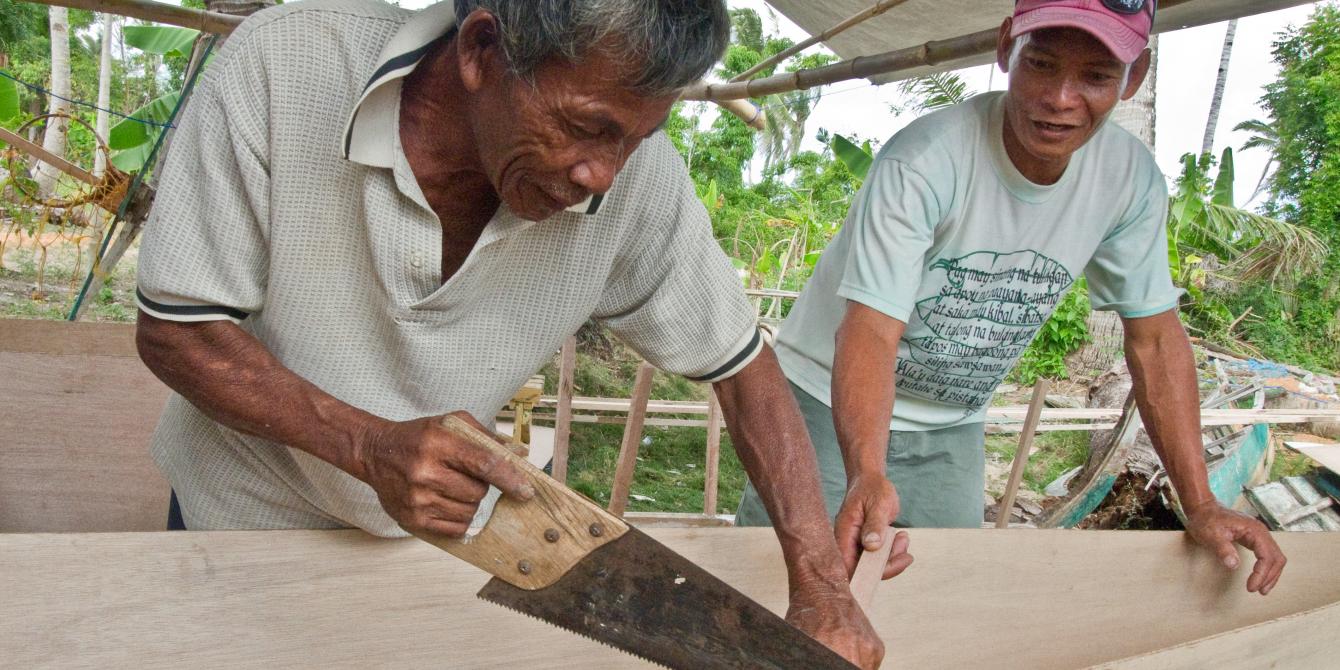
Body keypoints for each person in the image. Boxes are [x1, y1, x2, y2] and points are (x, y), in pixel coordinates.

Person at [133, 0, 882, 665]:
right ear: (482, 49)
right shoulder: (284, 64)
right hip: (236, 522)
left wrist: (822, 588)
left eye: (637, 138)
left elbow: (742, 366)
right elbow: (178, 330)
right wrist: (366, 444)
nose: (604, 176)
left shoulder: (635, 181)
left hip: (427, 551)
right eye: (587, 128)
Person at [739, 0, 1286, 595]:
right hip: (823, 401)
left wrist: (1200, 502)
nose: (1060, 98)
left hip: (953, 423)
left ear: (1135, 77)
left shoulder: (1128, 179)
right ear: (1006, 48)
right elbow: (871, 329)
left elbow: (1155, 341)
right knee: (787, 586)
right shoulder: (925, 160)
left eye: (1096, 76)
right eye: (1041, 64)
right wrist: (865, 472)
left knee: (938, 597)